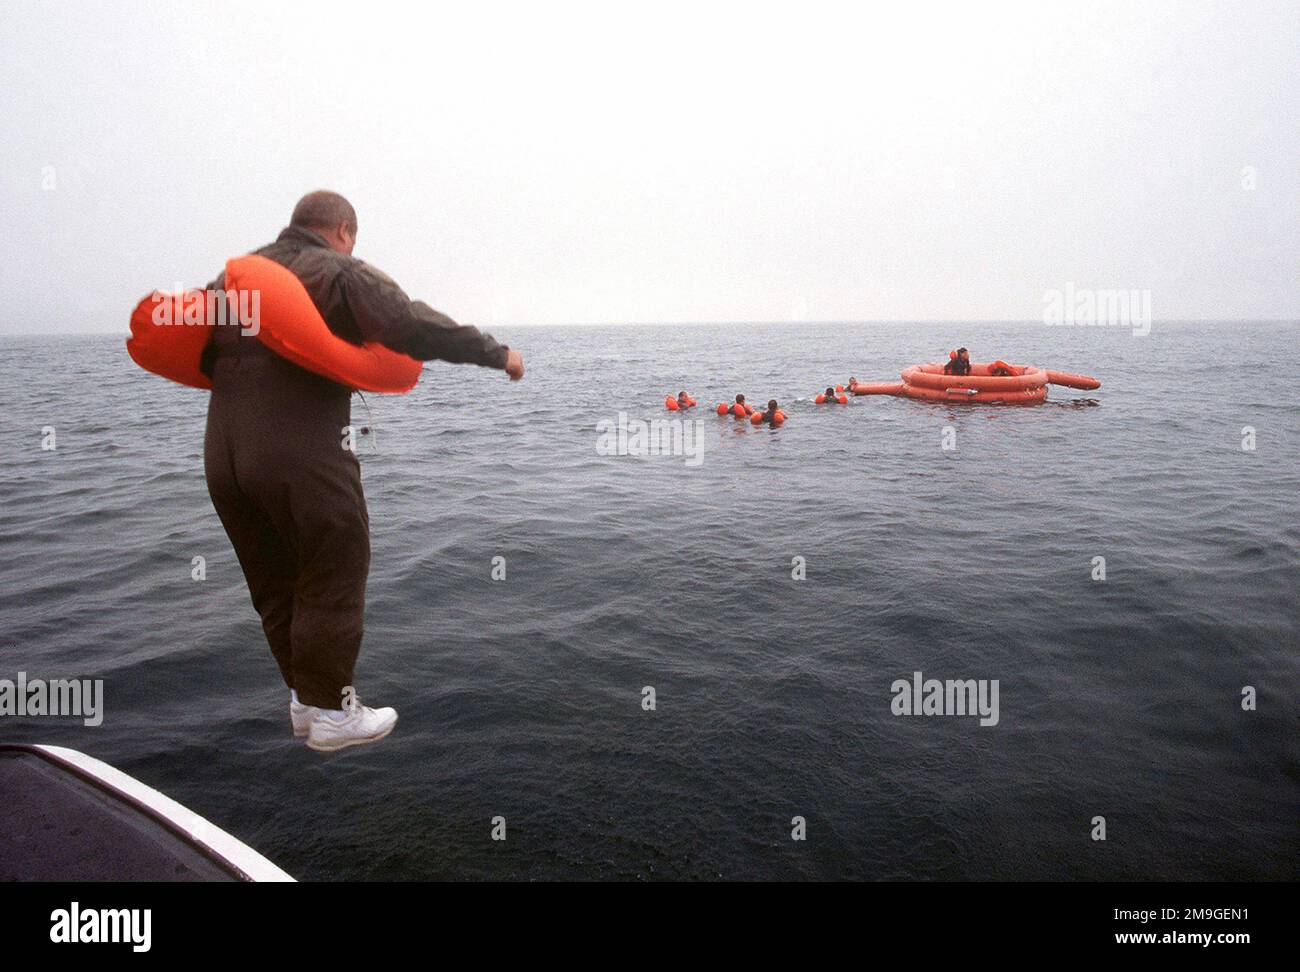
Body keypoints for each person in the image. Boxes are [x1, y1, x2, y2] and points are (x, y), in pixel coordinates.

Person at [200, 190, 524, 752]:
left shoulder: (229, 280)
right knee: (335, 561)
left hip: (224, 455)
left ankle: (305, 700)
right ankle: (333, 712)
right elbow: (410, 325)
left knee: (274, 580)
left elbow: (202, 355)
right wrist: (496, 354)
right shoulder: (337, 271)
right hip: (299, 447)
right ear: (344, 229)